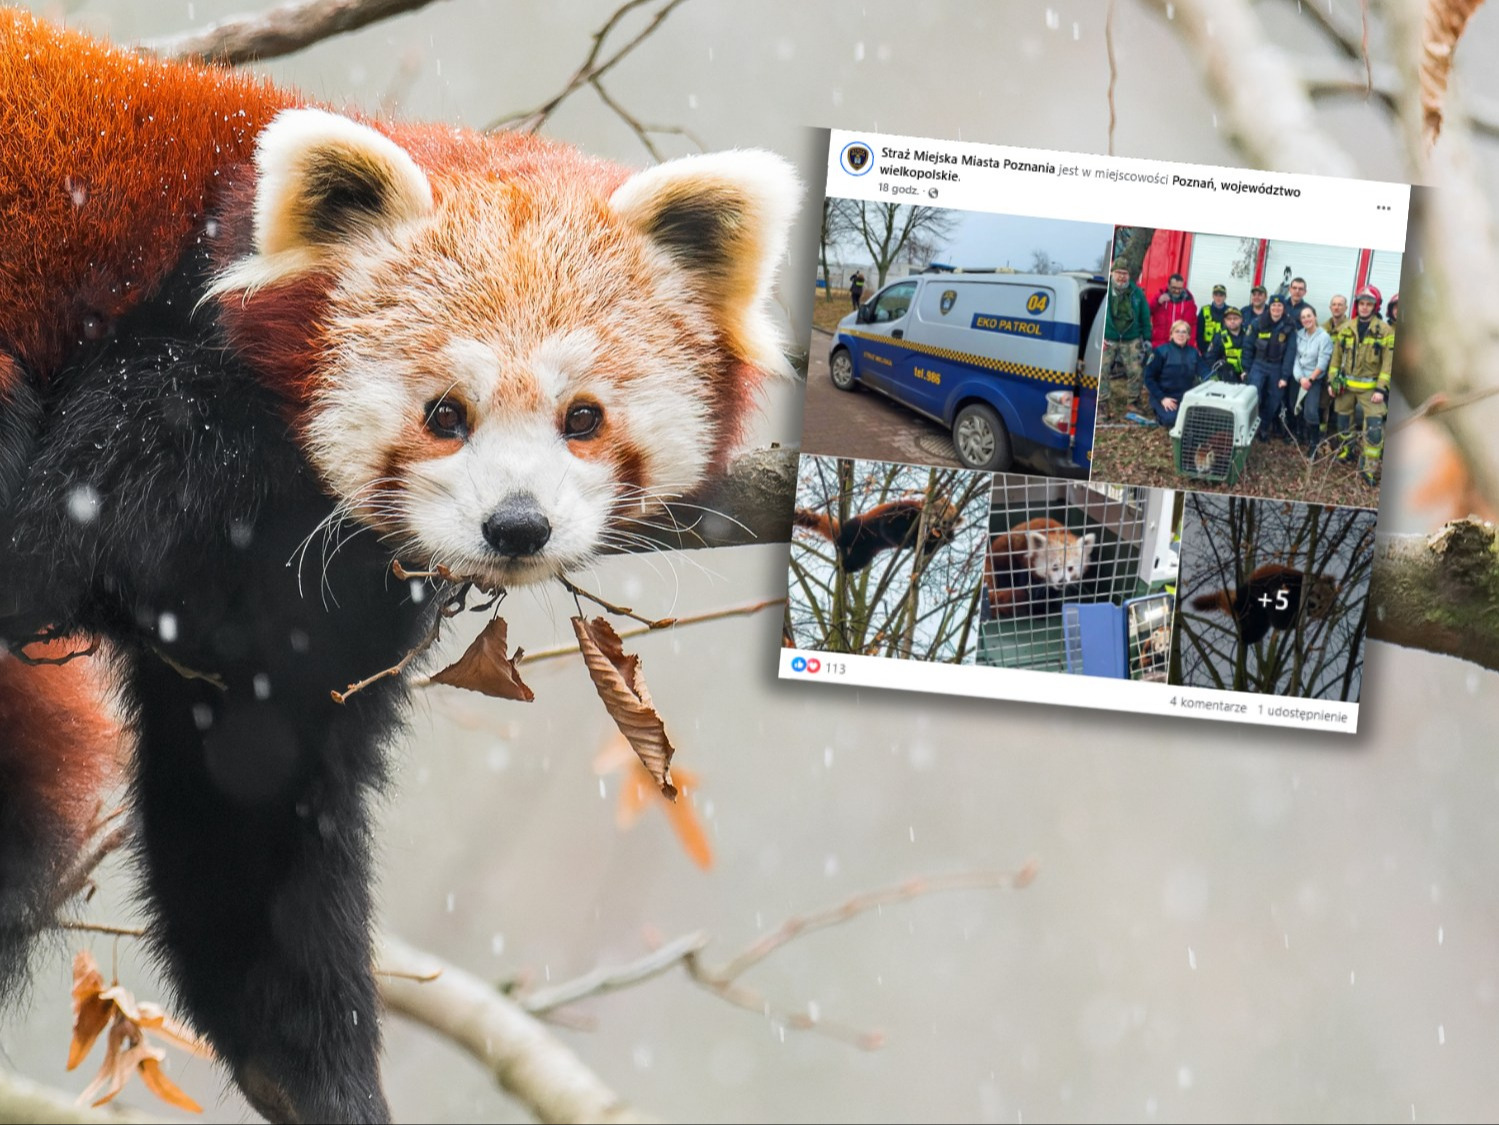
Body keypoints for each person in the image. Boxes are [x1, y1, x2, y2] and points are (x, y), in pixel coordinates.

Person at [1329, 286, 1394, 486]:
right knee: (1342, 421)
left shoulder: (1385, 331)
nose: (1365, 308)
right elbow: (1336, 359)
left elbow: (1388, 363)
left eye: (1369, 304)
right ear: (1357, 305)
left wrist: (1381, 389)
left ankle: (1369, 468)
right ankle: (1347, 449)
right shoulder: (1345, 329)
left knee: (1374, 430)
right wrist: (1332, 382)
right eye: (1362, 304)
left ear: (1376, 306)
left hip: (1371, 390)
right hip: (1346, 387)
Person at [1241, 293, 1298, 441]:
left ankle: (1264, 427)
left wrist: (1285, 376)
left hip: (1277, 367)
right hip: (1258, 364)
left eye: (1280, 305)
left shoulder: (1289, 325)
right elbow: (1247, 346)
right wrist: (1246, 369)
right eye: (1273, 305)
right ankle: (1249, 426)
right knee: (1253, 396)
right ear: (1269, 306)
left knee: (1274, 399)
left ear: (1284, 308)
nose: (1276, 308)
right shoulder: (1258, 322)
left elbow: (1290, 353)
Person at [1101, 256, 1152, 407]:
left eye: (1125, 273)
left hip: (1131, 338)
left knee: (1136, 371)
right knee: (1102, 370)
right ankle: (1102, 404)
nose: (1121, 277)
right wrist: (1099, 336)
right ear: (1112, 273)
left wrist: (1147, 338)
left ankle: (1133, 403)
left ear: (1129, 275)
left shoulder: (1137, 293)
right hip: (1109, 337)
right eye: (1118, 272)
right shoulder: (1106, 291)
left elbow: (1145, 316)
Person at [1143, 319, 1203, 427]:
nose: (1180, 335)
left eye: (1184, 332)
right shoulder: (1160, 351)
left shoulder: (1193, 353)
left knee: (1197, 419)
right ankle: (1158, 412)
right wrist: (1162, 398)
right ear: (1171, 334)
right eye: (1177, 331)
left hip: (1185, 396)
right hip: (1165, 396)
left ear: (1188, 336)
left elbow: (1204, 372)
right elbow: (1149, 378)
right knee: (1173, 420)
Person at [1292, 304, 1333, 451]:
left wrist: (1309, 380)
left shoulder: (1324, 337)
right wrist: (1300, 378)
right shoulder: (1299, 335)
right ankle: (1300, 435)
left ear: (1315, 317)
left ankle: (1313, 443)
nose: (1306, 319)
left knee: (1310, 410)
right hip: (1299, 376)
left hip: (1314, 379)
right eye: (1303, 317)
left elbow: (1323, 362)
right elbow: (1296, 358)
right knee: (1294, 405)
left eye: (1309, 316)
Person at [1151, 272, 1197, 347]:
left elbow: (1192, 325)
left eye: (1180, 288)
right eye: (1174, 288)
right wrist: (1158, 302)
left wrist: (1190, 344)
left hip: (1180, 345)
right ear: (1168, 286)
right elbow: (1147, 313)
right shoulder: (1159, 296)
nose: (1177, 291)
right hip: (1160, 344)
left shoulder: (1189, 301)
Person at [1203, 306, 1248, 381]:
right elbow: (1210, 358)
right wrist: (1221, 369)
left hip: (1246, 372)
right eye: (1229, 319)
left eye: (1235, 318)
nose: (1232, 321)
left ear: (1241, 319)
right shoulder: (1219, 336)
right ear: (1225, 321)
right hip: (1226, 374)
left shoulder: (1248, 334)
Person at [1197, 283, 1231, 352]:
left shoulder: (1230, 311)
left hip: (1224, 349)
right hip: (1206, 348)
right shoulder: (1204, 310)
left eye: (1221, 295)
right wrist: (1203, 349)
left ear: (1225, 297)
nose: (1218, 298)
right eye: (1216, 295)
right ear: (1212, 296)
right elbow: (1199, 332)